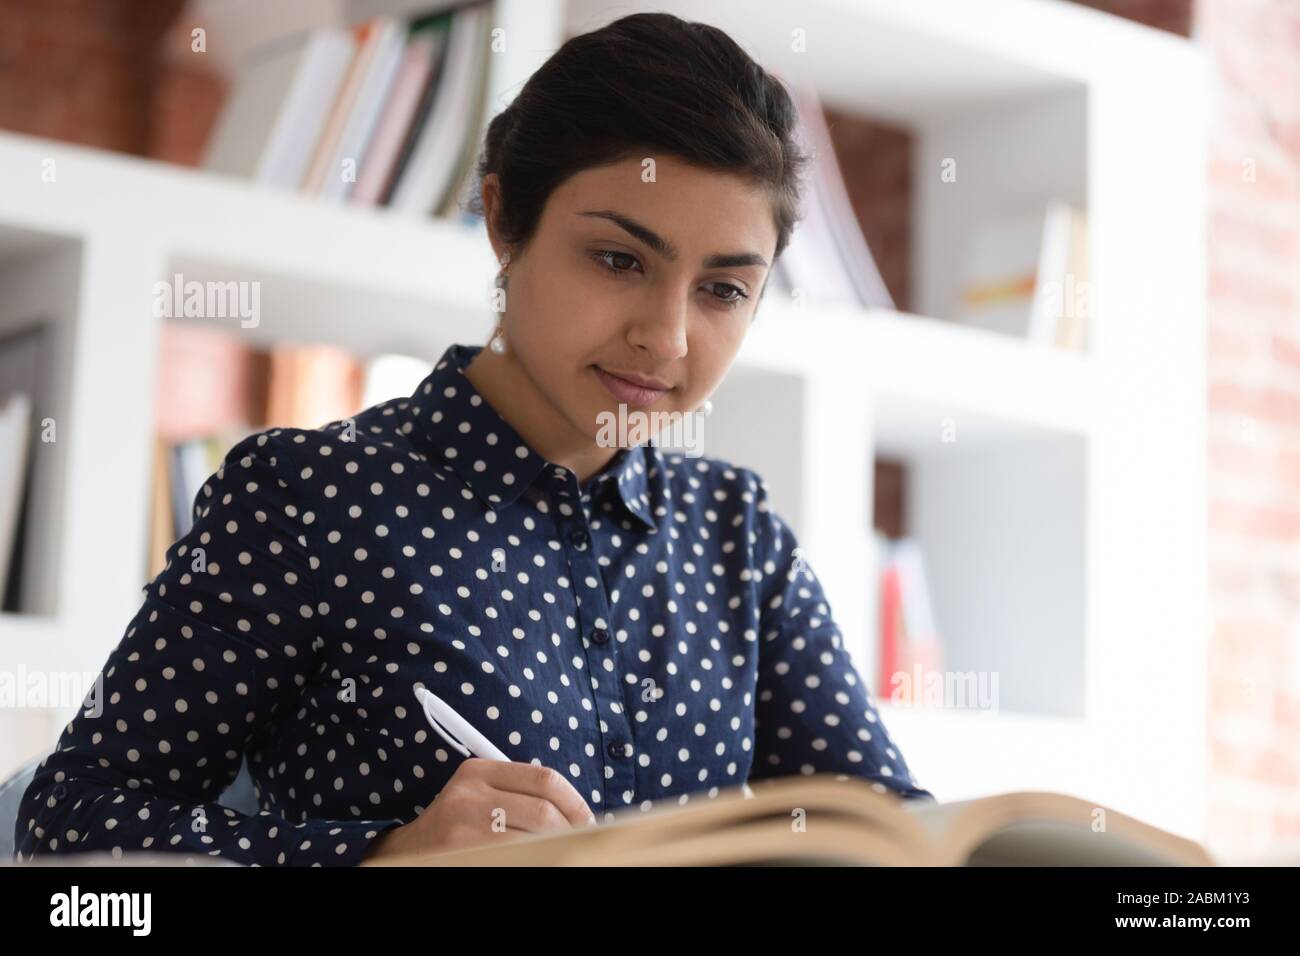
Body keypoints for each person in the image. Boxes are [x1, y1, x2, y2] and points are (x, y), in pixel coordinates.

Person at [13, 11, 930, 868]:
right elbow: (68, 828)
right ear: (503, 220)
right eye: (619, 261)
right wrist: (384, 850)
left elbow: (890, 826)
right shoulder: (310, 498)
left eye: (724, 289)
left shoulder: (738, 536)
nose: (669, 337)